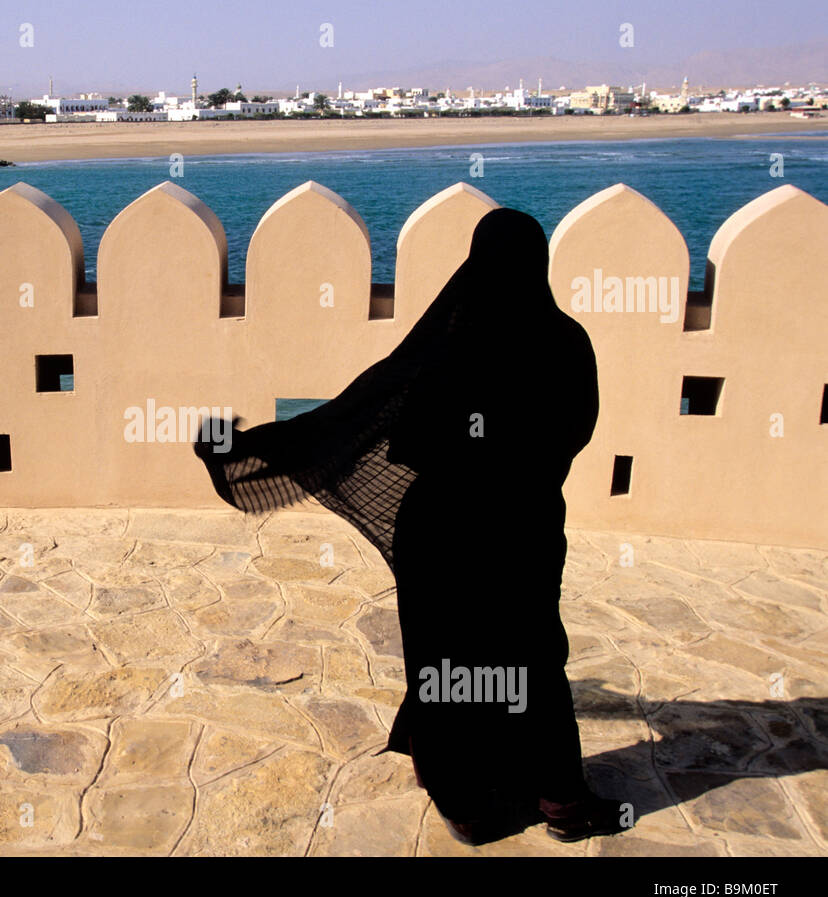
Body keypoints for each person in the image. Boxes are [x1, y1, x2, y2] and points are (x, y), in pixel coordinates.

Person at [193, 207, 627, 845]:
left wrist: (248, 448)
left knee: (447, 658)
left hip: (443, 532)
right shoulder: (566, 342)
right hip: (522, 530)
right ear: (539, 264)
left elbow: (385, 433)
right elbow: (576, 432)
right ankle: (560, 800)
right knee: (531, 654)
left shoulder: (449, 348)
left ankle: (468, 804)